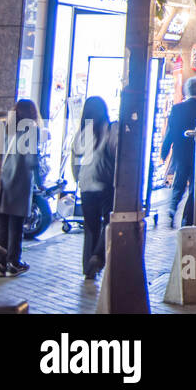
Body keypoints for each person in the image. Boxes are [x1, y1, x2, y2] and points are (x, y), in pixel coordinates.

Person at [0, 99, 46, 277]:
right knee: (16, 225)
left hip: (1, 182)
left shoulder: (4, 127)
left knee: (1, 224)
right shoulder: (31, 129)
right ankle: (13, 263)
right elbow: (31, 159)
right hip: (19, 182)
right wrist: (40, 181)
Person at [71, 97, 118, 280]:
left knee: (90, 228)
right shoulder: (110, 129)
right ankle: (98, 257)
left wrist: (78, 180)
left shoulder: (82, 133)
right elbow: (116, 153)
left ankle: (87, 268)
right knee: (109, 222)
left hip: (86, 185)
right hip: (105, 184)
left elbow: (74, 161)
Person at [161, 77, 196, 227]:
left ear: (186, 90)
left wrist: (164, 151)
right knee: (194, 184)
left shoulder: (177, 109)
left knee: (179, 180)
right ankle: (188, 218)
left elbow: (171, 131)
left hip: (180, 151)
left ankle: (173, 207)